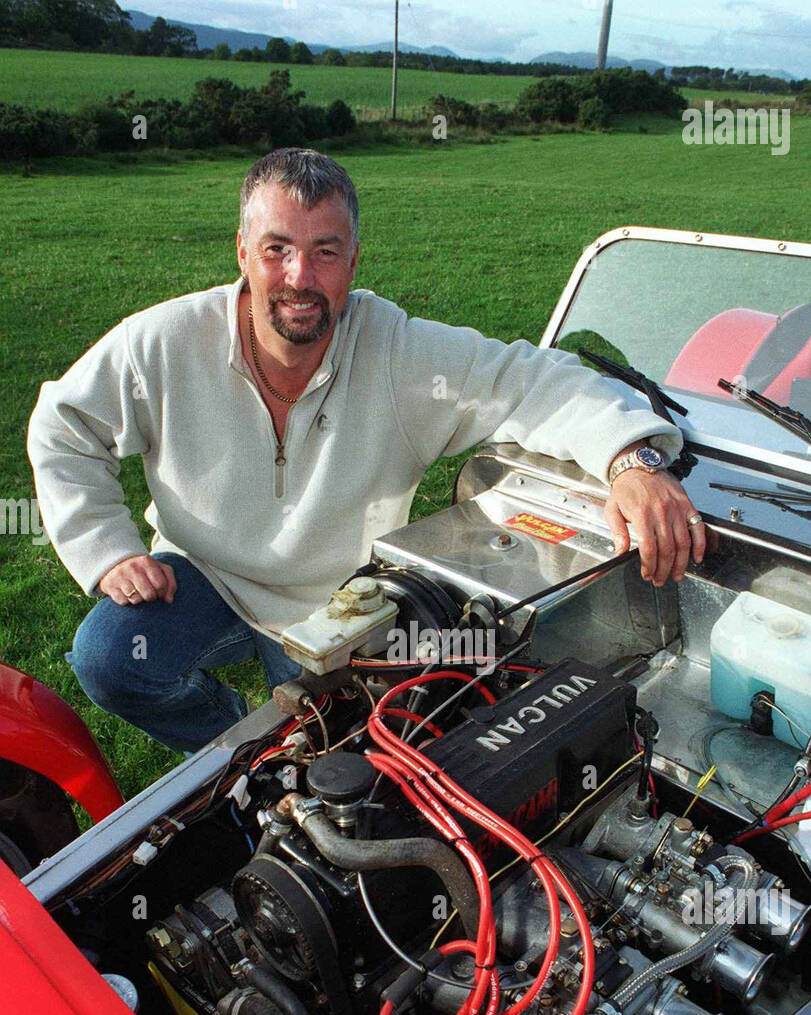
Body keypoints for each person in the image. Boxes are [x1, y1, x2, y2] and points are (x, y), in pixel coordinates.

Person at [28, 148, 706, 754]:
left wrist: (630, 462)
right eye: (276, 249)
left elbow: (529, 379)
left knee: (347, 760)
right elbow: (63, 424)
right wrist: (107, 550)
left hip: (340, 599)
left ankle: (279, 754)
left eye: (325, 251)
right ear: (241, 252)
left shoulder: (397, 352)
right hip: (203, 572)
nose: (299, 276)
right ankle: (231, 744)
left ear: (353, 261)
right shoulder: (166, 342)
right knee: (111, 660)